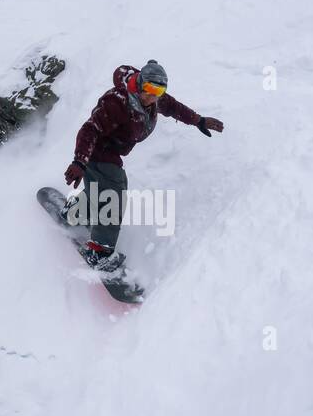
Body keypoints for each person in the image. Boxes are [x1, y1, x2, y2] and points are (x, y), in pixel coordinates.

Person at [64, 60, 224, 271]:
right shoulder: (117, 102)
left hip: (110, 153)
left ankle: (75, 212)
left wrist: (198, 120)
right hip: (98, 150)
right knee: (114, 193)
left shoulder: (154, 100)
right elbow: (90, 130)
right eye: (149, 89)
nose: (153, 95)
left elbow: (174, 107)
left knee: (103, 188)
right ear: (139, 84)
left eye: (159, 91)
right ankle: (99, 251)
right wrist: (79, 160)